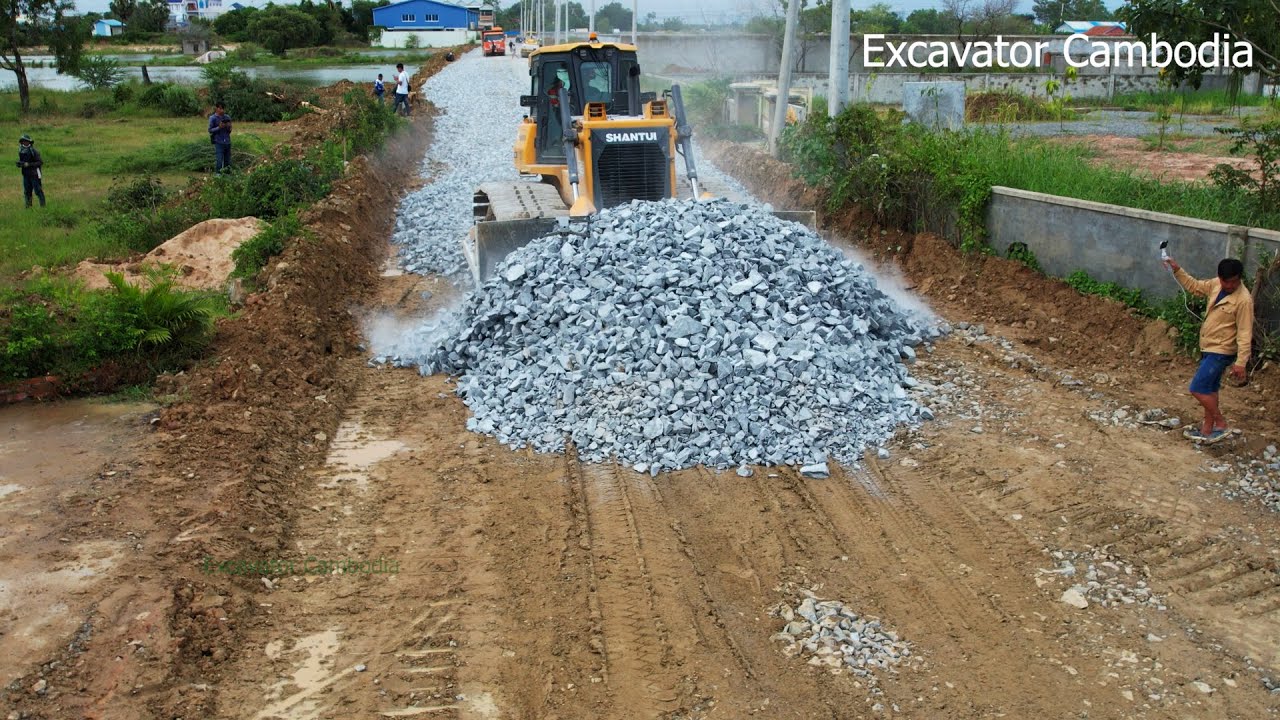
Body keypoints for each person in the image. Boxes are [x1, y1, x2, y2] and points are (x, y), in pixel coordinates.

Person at [1163, 255, 1255, 443]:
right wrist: (1177, 269)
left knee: (1198, 388)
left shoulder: (1244, 300)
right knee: (1210, 390)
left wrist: (1241, 363)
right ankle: (1207, 429)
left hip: (1221, 351)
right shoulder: (1215, 285)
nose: (1231, 285)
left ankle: (1220, 423)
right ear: (1220, 278)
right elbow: (1195, 286)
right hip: (1208, 346)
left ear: (1240, 278)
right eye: (1227, 282)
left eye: (1235, 281)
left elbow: (1245, 333)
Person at [16, 134, 44, 208]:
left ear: (29, 142)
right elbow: (22, 162)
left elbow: (40, 162)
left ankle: (43, 206)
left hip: (34, 174)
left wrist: (28, 164)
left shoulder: (34, 151)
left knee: (38, 191)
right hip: (25, 174)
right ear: (21, 142)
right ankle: (28, 208)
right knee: (27, 192)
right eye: (23, 141)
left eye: (26, 141)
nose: (25, 142)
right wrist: (20, 164)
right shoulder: (21, 150)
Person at [208, 103, 233, 173]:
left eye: (223, 109)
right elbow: (210, 130)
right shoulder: (212, 118)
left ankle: (227, 177)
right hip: (218, 142)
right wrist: (219, 127)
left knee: (227, 161)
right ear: (217, 108)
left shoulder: (227, 117)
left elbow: (230, 130)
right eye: (220, 108)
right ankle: (218, 176)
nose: (222, 110)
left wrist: (228, 127)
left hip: (227, 142)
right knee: (219, 160)